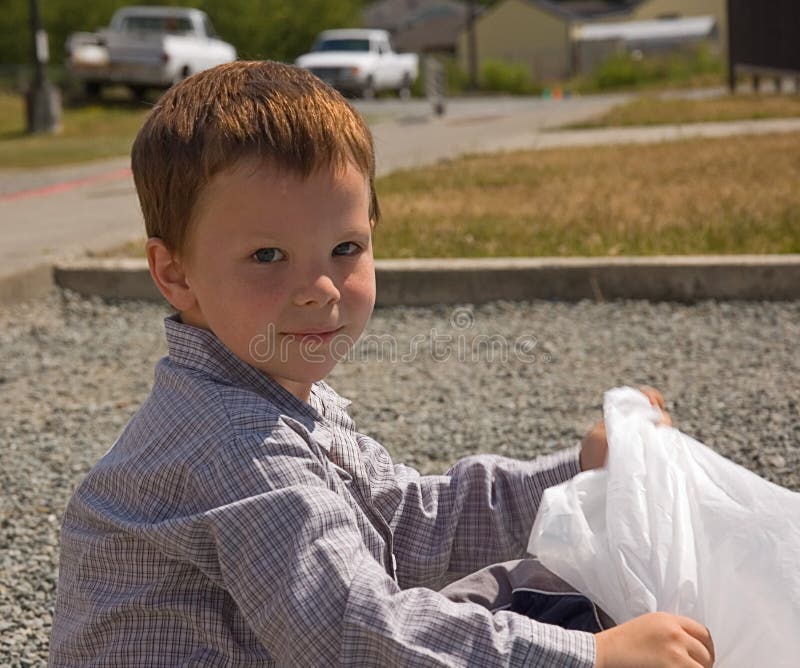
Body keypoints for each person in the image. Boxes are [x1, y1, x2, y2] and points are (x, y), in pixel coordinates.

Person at [49, 60, 714, 667]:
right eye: (268, 257)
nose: (321, 287)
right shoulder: (236, 443)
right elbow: (353, 633)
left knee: (549, 582)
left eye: (344, 247)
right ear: (176, 273)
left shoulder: (270, 395)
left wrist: (574, 477)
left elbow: (406, 522)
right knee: (557, 614)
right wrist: (591, 658)